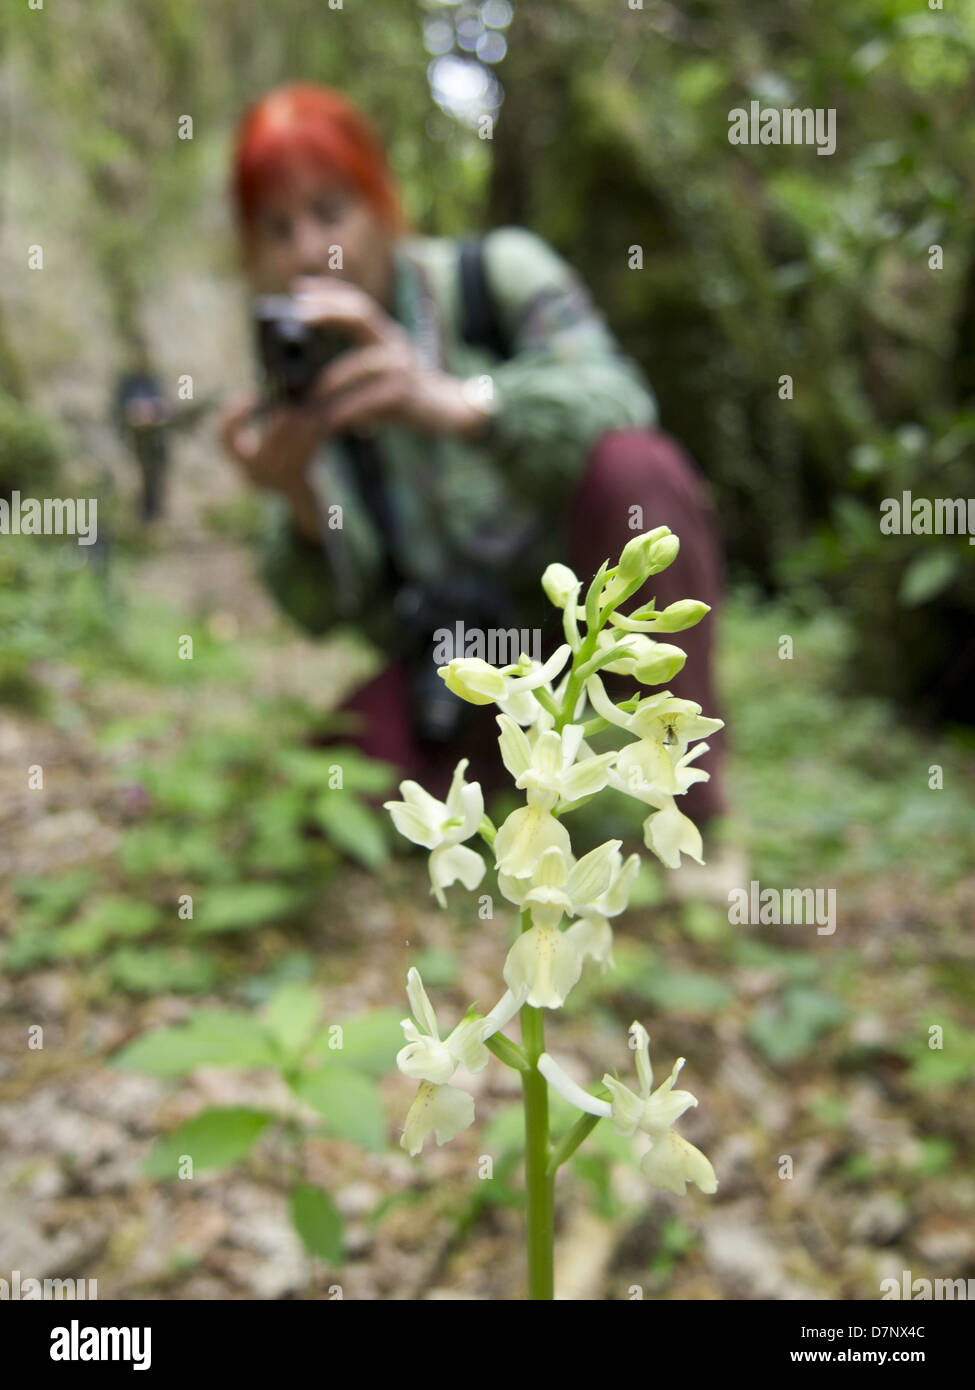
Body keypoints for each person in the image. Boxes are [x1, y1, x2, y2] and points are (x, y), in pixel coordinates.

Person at [219, 83, 726, 839]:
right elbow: (326, 614)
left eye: (330, 211)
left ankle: (691, 795)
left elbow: (622, 399)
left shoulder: (495, 274)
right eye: (277, 226)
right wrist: (296, 496)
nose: (308, 249)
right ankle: (506, 773)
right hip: (463, 655)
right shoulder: (296, 382)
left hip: (586, 610)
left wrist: (460, 402)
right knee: (336, 794)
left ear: (379, 203)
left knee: (635, 469)